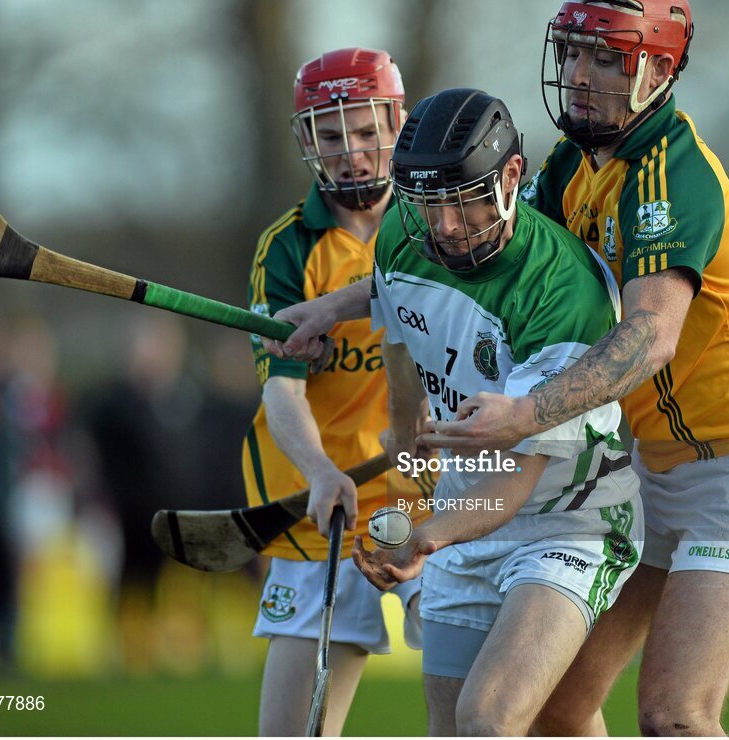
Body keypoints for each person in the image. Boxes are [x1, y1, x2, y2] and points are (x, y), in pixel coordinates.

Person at [415, 2, 729, 735]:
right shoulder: (569, 166)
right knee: (556, 707)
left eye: (607, 58)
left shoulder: (672, 173)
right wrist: (342, 308)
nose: (579, 75)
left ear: (660, 70)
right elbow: (486, 253)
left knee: (675, 713)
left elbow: (650, 337)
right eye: (575, 53)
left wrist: (525, 414)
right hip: (650, 469)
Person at [283, 87, 643, 736]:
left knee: (489, 720)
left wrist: (427, 533)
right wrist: (403, 431)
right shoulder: (400, 237)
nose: (445, 228)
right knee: (466, 729)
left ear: (510, 178)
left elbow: (515, 479)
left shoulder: (564, 293)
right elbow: (399, 340)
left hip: (567, 523)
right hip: (464, 508)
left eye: (464, 203)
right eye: (427, 205)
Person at [241, 47, 431, 736]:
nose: (350, 151)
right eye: (330, 134)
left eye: (364, 129)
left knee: (492, 710)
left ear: (397, 123)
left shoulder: (436, 224)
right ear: (307, 142)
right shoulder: (289, 249)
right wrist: (320, 471)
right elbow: (281, 393)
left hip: (435, 501)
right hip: (325, 506)